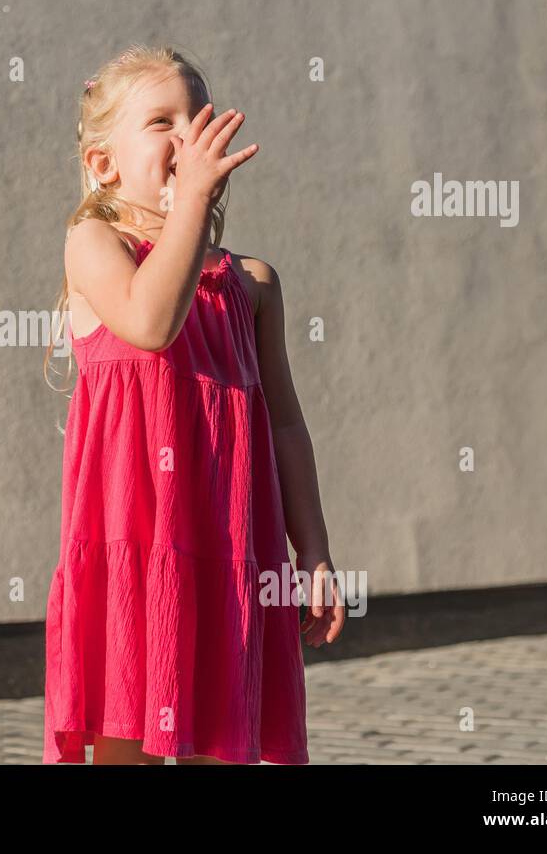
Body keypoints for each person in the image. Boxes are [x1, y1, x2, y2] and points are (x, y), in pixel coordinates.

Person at [41, 44, 345, 765]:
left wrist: (317, 553)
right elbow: (151, 322)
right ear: (103, 164)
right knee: (128, 742)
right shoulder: (92, 243)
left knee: (223, 740)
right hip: (133, 553)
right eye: (160, 122)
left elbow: (286, 424)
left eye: (197, 117)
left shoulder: (253, 283)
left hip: (230, 552)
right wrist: (191, 211)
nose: (188, 135)